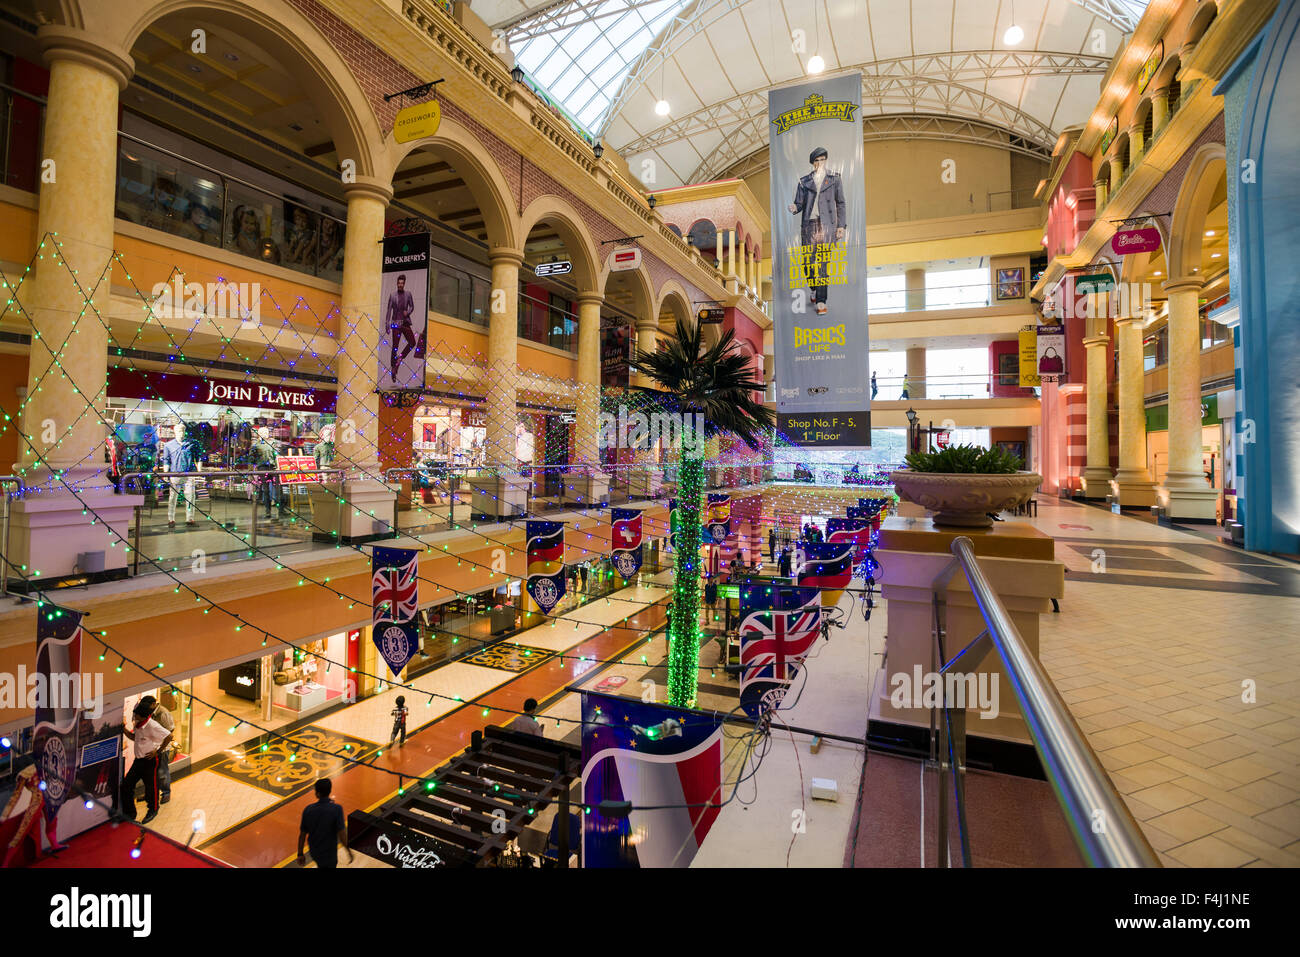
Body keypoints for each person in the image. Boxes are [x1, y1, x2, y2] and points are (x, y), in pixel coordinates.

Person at [787, 146, 846, 316]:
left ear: (826, 160)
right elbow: (799, 203)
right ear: (813, 163)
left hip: (827, 225)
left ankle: (821, 300)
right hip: (809, 225)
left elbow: (841, 203)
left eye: (822, 159)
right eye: (817, 160)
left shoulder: (834, 179)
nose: (820, 163)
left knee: (822, 265)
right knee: (807, 263)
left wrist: (841, 226)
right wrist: (794, 207)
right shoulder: (804, 181)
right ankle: (814, 288)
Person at [2, 756, 67, 867]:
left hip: (46, 796)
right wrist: (5, 814)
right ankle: (5, 864)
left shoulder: (42, 764)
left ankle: (54, 845)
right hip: (36, 800)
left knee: (52, 820)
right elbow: (16, 796)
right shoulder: (27, 772)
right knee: (23, 829)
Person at [121, 700, 172, 825]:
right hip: (138, 761)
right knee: (127, 785)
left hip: (149, 761)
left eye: (136, 714)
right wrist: (124, 729)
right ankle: (130, 814)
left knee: (151, 787)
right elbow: (134, 737)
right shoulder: (138, 724)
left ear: (143, 715)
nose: (134, 716)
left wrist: (158, 751)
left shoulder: (152, 725)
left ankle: (153, 810)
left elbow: (169, 736)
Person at [297, 778, 352, 868]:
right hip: (329, 852)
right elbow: (342, 834)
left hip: (314, 851)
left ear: (317, 793)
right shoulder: (336, 809)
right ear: (329, 791)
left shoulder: (308, 810)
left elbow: (302, 834)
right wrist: (348, 850)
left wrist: (300, 854)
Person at [159, 422, 198, 528]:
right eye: (179, 431)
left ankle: (190, 518)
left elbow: (196, 458)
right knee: (173, 497)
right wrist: (166, 475)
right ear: (175, 432)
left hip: (189, 474)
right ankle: (171, 519)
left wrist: (198, 471)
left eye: (183, 431)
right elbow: (166, 461)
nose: (182, 433)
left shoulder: (192, 443)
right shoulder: (168, 445)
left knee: (190, 497)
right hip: (175, 474)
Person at [137, 694, 174, 804]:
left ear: (153, 704)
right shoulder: (149, 712)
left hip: (161, 749)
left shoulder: (163, 713)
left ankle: (166, 793)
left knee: (162, 772)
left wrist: (158, 749)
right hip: (151, 748)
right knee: (150, 773)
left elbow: (170, 731)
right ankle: (151, 793)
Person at [385, 274, 417, 383]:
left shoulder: (408, 294)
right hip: (395, 323)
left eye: (402, 283)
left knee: (412, 342)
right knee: (395, 346)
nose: (400, 285)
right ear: (396, 283)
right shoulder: (392, 295)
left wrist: (407, 312)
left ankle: (400, 358)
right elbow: (389, 310)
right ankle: (393, 370)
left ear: (404, 284)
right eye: (398, 283)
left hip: (405, 323)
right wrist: (387, 324)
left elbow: (412, 306)